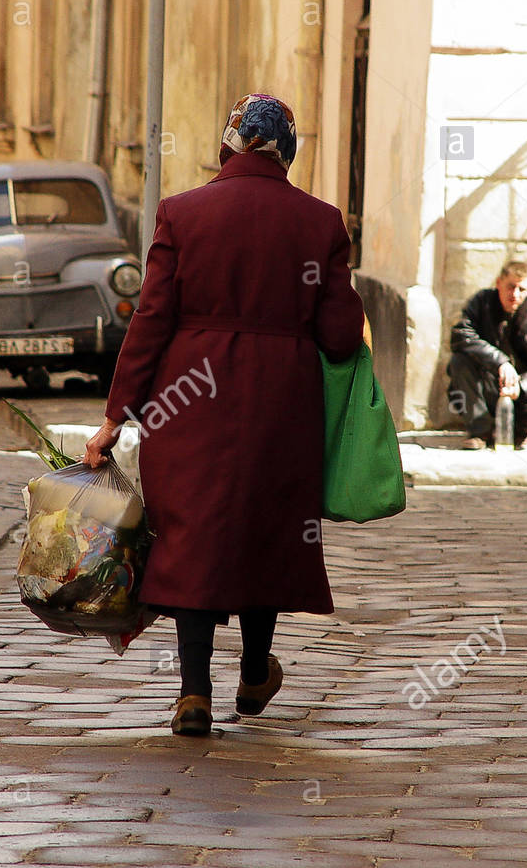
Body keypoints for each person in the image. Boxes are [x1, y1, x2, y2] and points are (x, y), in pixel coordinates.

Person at [82, 93, 365, 737]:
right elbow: (342, 337)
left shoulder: (182, 213)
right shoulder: (321, 222)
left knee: (192, 534)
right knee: (267, 530)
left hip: (190, 400)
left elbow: (150, 320)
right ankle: (256, 670)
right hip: (281, 403)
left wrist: (115, 417)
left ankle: (192, 694)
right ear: (287, 152)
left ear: (228, 143)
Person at [447, 260, 527, 450]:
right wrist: (500, 362)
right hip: (487, 387)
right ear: (498, 283)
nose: (515, 295)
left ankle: (520, 430)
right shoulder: (480, 304)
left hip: (521, 394)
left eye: (522, 289)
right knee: (459, 362)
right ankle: (481, 431)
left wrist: (521, 384)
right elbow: (461, 336)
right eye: (511, 287)